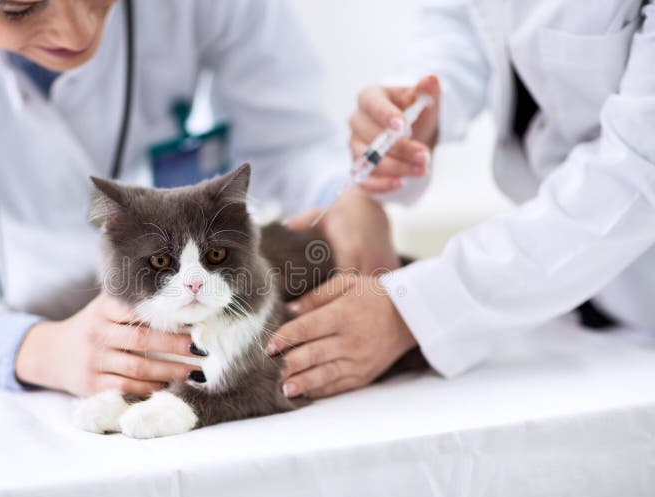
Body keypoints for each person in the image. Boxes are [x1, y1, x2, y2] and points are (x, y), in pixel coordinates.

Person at [0, 0, 398, 397]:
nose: (76, 30)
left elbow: (291, 142)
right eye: (19, 8)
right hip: (12, 308)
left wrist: (344, 197)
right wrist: (39, 350)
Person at [271, 0, 655, 399]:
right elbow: (464, 20)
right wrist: (423, 100)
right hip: (579, 307)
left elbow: (637, 171)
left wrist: (413, 311)